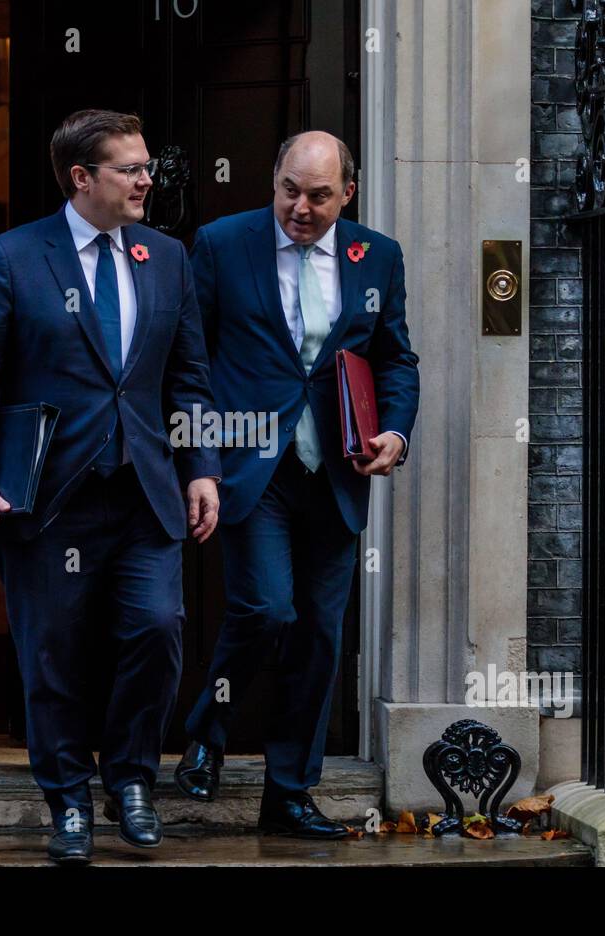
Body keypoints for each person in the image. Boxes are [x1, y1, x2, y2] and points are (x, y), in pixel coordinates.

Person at [0, 109, 221, 864]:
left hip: (144, 492)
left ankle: (130, 779)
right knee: (54, 651)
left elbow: (190, 379)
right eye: (130, 168)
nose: (146, 179)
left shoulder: (166, 256)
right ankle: (66, 796)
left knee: (158, 630)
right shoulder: (13, 257)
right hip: (50, 495)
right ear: (82, 178)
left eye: (145, 167)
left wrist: (202, 468)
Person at [175, 131, 419, 838]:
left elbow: (395, 359)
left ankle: (287, 793)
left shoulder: (377, 256)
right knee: (268, 609)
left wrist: (394, 435)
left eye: (318, 194)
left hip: (337, 470)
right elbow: (190, 361)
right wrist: (202, 460)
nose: (300, 208)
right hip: (253, 466)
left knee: (318, 634)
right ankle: (209, 730)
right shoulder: (222, 244)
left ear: (348, 193)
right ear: (273, 179)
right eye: (289, 189)